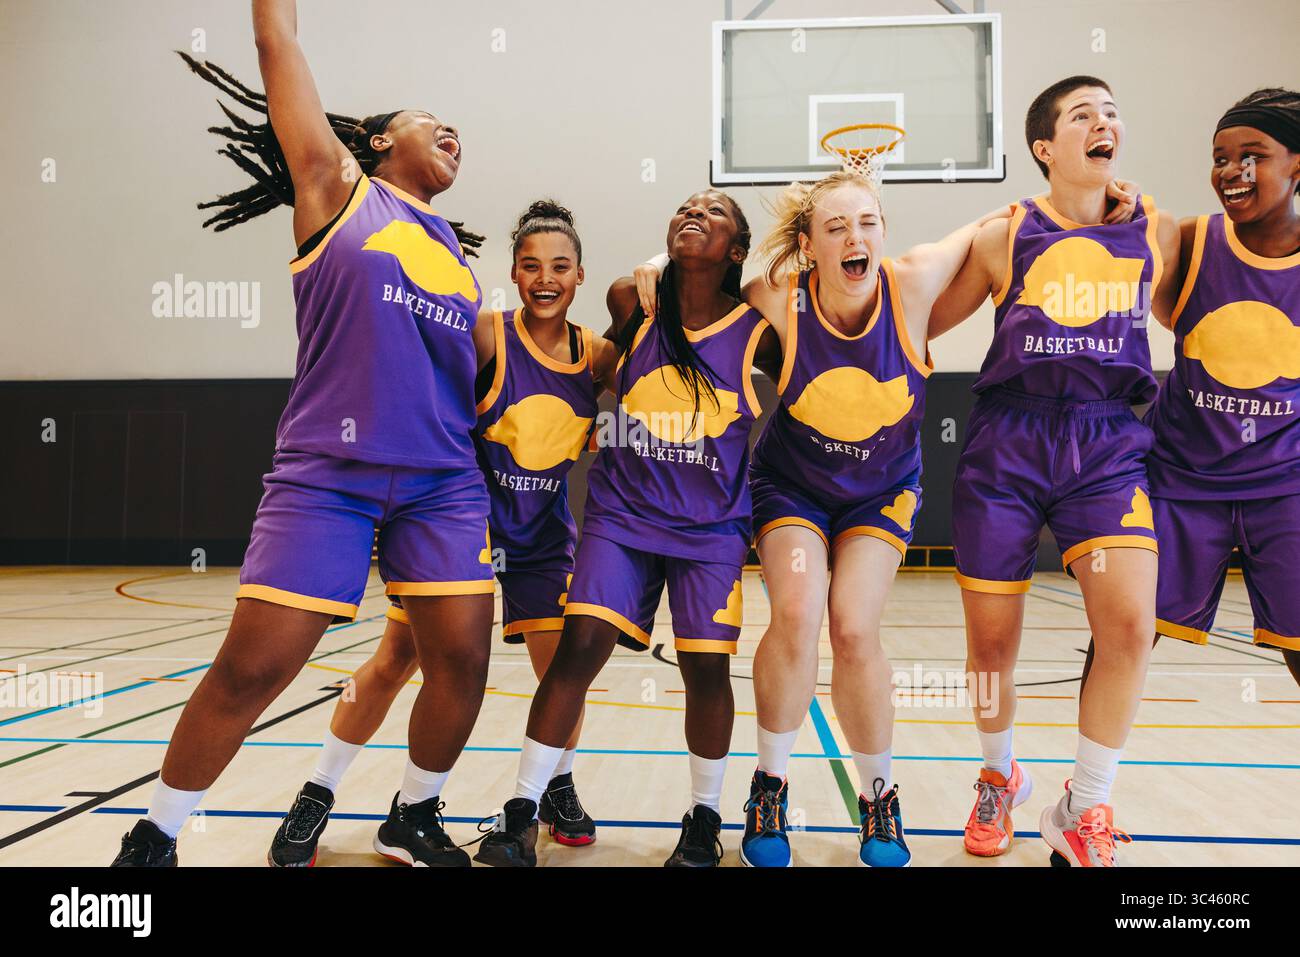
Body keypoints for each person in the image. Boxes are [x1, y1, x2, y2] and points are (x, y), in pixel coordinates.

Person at [112, 0, 492, 866]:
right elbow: (276, 39)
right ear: (378, 141)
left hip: (441, 480)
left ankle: (415, 812)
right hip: (330, 473)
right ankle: (155, 839)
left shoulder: (463, 264)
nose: (454, 134)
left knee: (463, 659)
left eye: (460, 132)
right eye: (435, 123)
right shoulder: (333, 189)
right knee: (251, 669)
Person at [632, 170, 1018, 866]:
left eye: (867, 222)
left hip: (882, 491)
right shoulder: (780, 296)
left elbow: (988, 233)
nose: (855, 236)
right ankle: (770, 783)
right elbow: (696, 286)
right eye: (836, 227)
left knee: (853, 625)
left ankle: (878, 796)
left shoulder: (916, 281)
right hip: (793, 487)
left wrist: (1036, 209)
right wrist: (658, 265)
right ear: (808, 246)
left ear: (884, 233)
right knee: (799, 611)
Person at [265, 201, 618, 865]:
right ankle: (317, 791)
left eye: (560, 267)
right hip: (464, 527)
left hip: (542, 534)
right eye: (531, 265)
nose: (545, 278)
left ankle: (554, 785)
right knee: (396, 659)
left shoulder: (596, 355)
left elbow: (661, 368)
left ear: (579, 277)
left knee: (563, 669)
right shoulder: (487, 334)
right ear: (513, 272)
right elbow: (414, 378)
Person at [475, 190, 770, 867]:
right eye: (685, 209)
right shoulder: (630, 304)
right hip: (622, 515)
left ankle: (703, 817)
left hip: (711, 526)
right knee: (579, 648)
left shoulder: (759, 328)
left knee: (705, 669)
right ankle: (522, 810)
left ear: (735, 248)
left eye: (714, 213)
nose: (694, 213)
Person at [930, 75, 1180, 867]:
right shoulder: (1004, 235)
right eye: (1083, 115)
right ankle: (1000, 777)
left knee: (1131, 626)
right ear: (1046, 148)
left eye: (1112, 111)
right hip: (1009, 442)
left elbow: (1202, 314)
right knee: (992, 646)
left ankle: (1087, 802)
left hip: (1105, 447)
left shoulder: (1157, 231)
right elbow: (922, 320)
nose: (1104, 122)